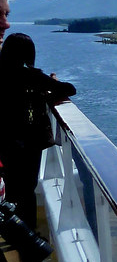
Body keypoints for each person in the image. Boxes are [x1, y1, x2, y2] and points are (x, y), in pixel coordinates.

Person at [0, 32, 76, 230]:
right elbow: (69, 89)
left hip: (5, 141)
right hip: (30, 141)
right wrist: (53, 82)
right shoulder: (31, 76)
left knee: (12, 188)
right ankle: (28, 236)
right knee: (27, 190)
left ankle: (14, 230)